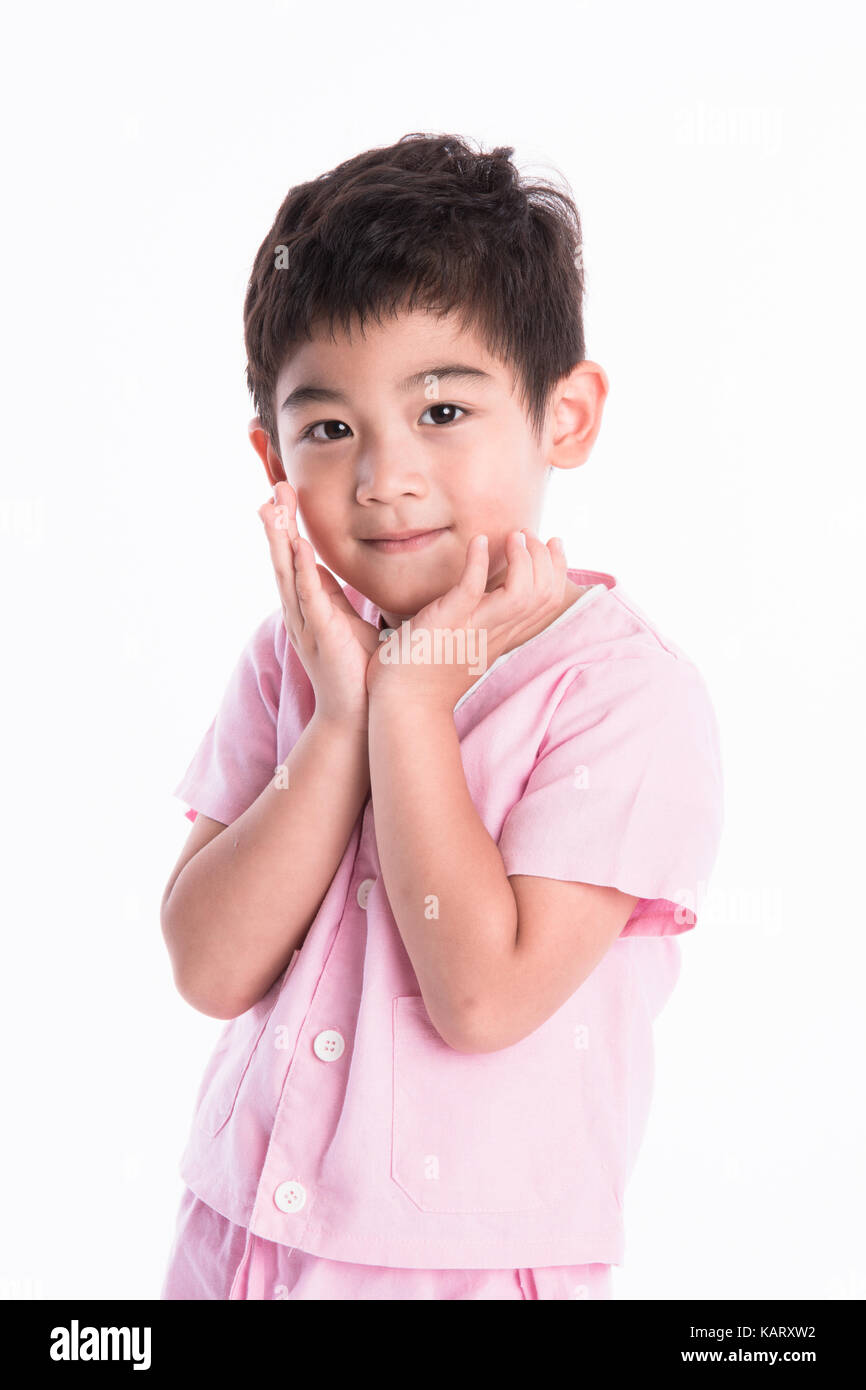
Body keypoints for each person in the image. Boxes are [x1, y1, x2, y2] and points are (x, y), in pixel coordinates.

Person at [159, 132, 724, 1300]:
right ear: (271, 457)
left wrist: (409, 700)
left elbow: (479, 995)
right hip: (242, 1246)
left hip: (456, 1272)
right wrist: (334, 726)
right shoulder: (293, 656)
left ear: (562, 416)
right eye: (328, 429)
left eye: (442, 410)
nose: (383, 476)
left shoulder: (620, 692)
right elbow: (209, 965)